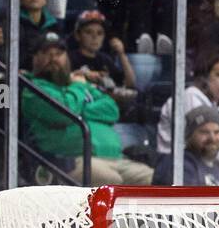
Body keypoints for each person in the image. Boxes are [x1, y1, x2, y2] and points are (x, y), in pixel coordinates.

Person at [21, 38, 153, 184]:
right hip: (71, 161)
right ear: (35, 58)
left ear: (67, 58)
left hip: (115, 158)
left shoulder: (77, 85)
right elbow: (64, 112)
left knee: (154, 179)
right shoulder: (33, 90)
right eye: (46, 53)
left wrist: (78, 107)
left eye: (58, 53)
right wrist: (78, 90)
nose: (53, 58)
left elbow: (111, 110)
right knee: (111, 181)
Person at [156, 54, 219, 155]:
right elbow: (202, 144)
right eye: (218, 75)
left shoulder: (213, 104)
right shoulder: (191, 96)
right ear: (205, 77)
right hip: (174, 160)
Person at [68, 9, 137, 109]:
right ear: (78, 35)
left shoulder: (105, 59)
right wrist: (83, 74)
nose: (94, 37)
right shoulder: (70, 58)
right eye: (88, 32)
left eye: (100, 33)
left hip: (104, 107)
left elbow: (130, 84)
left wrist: (122, 54)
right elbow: (62, 80)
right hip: (81, 106)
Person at [153, 105, 219, 185]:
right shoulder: (177, 165)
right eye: (204, 132)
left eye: (217, 132)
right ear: (189, 135)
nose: (212, 138)